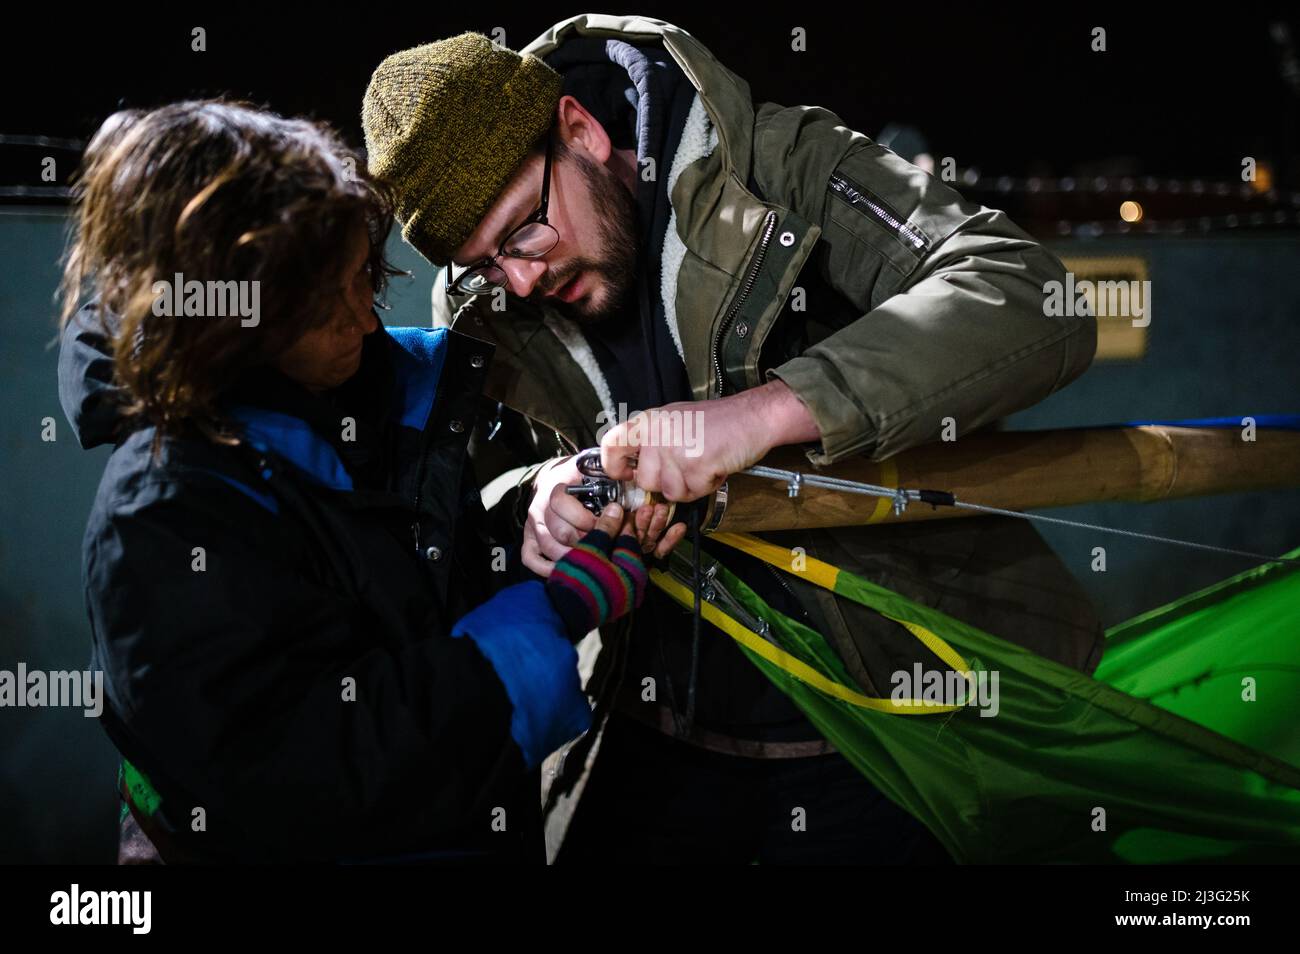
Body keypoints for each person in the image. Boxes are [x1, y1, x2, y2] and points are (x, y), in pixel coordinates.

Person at [362, 15, 1104, 863]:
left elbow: (1027, 292)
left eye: (523, 233)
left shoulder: (782, 167)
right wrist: (537, 496)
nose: (522, 278)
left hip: (892, 731)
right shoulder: (483, 303)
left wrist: (768, 412)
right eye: (486, 262)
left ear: (581, 129)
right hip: (645, 730)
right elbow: (468, 502)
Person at [56, 98, 652, 864]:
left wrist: (541, 512)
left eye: (361, 280)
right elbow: (330, 775)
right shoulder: (162, 517)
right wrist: (558, 610)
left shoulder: (360, 389)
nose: (366, 323)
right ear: (228, 323)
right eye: (328, 305)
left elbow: (415, 569)